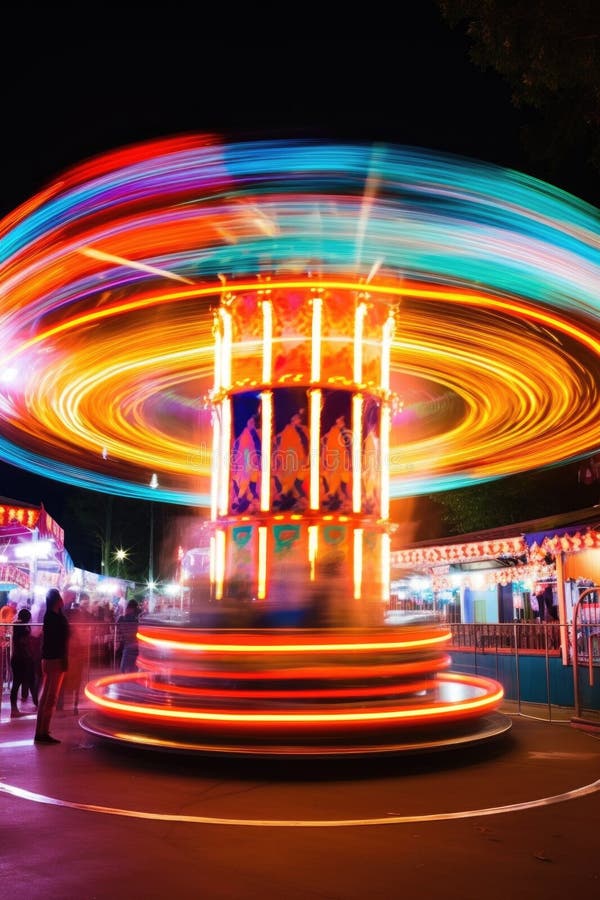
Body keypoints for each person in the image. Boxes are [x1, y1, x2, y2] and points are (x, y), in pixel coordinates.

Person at [34, 588, 69, 745]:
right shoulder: (54, 618)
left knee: (46, 696)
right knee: (51, 697)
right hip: (55, 660)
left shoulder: (50, 616)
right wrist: (64, 659)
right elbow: (60, 640)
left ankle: (40, 731)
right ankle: (43, 732)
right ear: (57, 600)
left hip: (48, 659)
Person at [10, 608, 38, 717]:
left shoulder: (18, 627)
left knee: (20, 683)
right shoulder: (22, 628)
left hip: (19, 658)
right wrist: (29, 656)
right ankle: (15, 710)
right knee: (24, 682)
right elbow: (23, 643)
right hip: (22, 659)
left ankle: (15, 709)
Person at [116, 599, 140, 673]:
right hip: (137, 644)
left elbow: (118, 627)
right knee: (135, 667)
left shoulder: (122, 618)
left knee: (124, 669)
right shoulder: (138, 619)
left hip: (128, 644)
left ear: (129, 608)